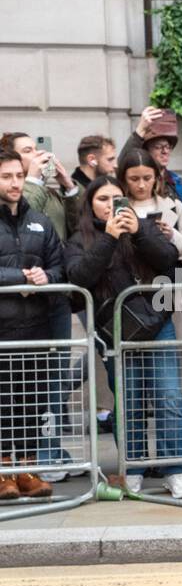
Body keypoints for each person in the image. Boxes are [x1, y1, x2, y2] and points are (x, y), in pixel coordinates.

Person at [64, 175, 182, 498]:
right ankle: (132, 469)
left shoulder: (143, 225)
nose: (111, 205)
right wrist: (108, 238)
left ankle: (174, 470)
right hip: (115, 331)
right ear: (90, 204)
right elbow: (79, 278)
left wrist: (138, 232)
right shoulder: (81, 239)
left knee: (170, 398)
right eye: (103, 199)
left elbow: (167, 259)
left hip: (157, 323)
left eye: (116, 198)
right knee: (128, 402)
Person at [0, 150, 62, 500]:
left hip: (36, 331)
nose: (14, 183)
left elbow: (59, 266)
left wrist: (46, 275)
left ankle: (25, 470)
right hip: (2, 333)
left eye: (19, 176)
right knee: (3, 405)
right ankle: (3, 472)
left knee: (31, 404)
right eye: (6, 176)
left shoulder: (39, 220)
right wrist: (19, 278)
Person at [118, 148, 182, 268]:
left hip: (168, 280)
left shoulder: (173, 206)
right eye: (134, 179)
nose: (141, 185)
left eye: (147, 178)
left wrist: (173, 236)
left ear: (156, 178)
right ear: (124, 180)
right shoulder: (118, 208)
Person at [1, 132, 82, 240]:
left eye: (36, 149)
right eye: (28, 150)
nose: (38, 154)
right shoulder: (6, 192)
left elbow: (79, 226)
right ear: (12, 158)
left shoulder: (48, 191)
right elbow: (20, 221)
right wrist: (33, 181)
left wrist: (69, 187)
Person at [121, 107, 182, 206]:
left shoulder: (180, 186)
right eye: (158, 147)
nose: (165, 151)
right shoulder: (134, 185)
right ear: (146, 150)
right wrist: (140, 130)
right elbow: (122, 166)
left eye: (168, 147)